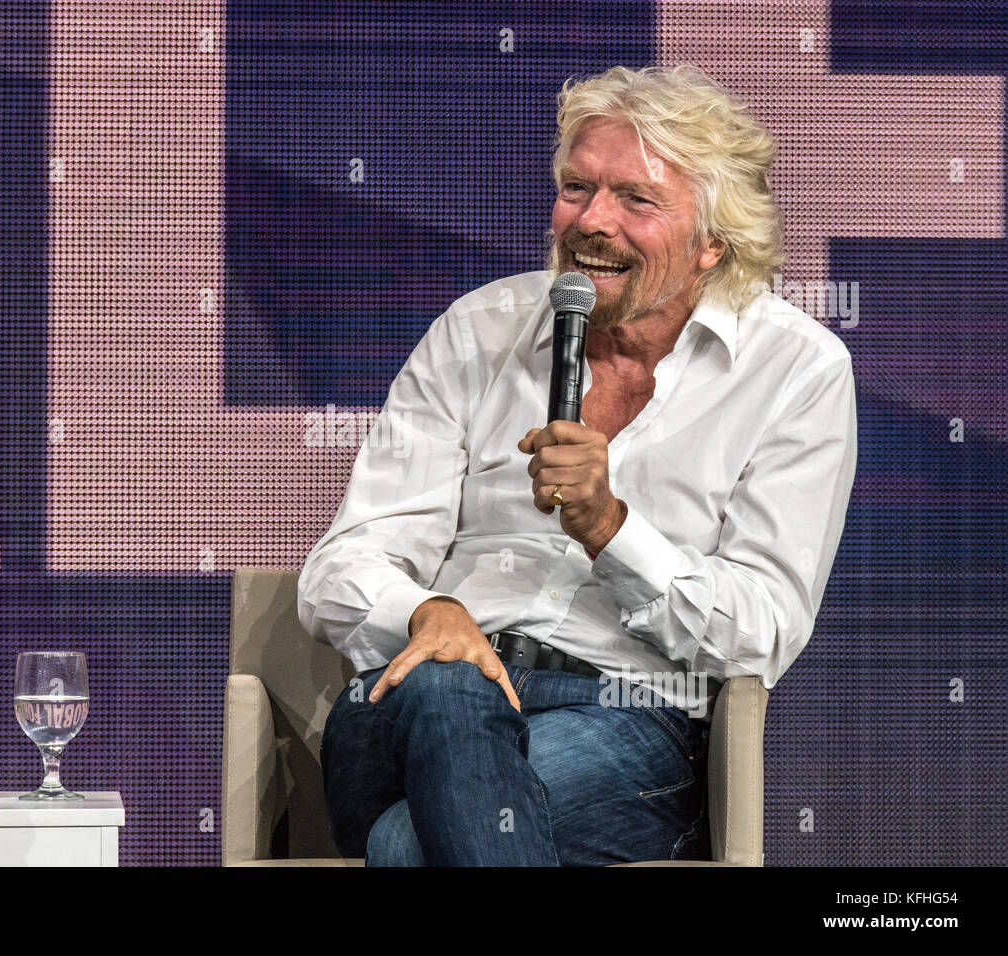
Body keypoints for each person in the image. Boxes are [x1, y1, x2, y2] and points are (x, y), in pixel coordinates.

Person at [298, 64, 857, 866]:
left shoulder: (795, 371)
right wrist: (430, 615)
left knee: (404, 845)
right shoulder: (475, 333)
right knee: (451, 683)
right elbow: (343, 566)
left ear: (712, 243)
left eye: (636, 199)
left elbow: (761, 631)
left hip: (625, 718)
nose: (591, 221)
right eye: (576, 188)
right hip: (412, 699)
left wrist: (611, 528)